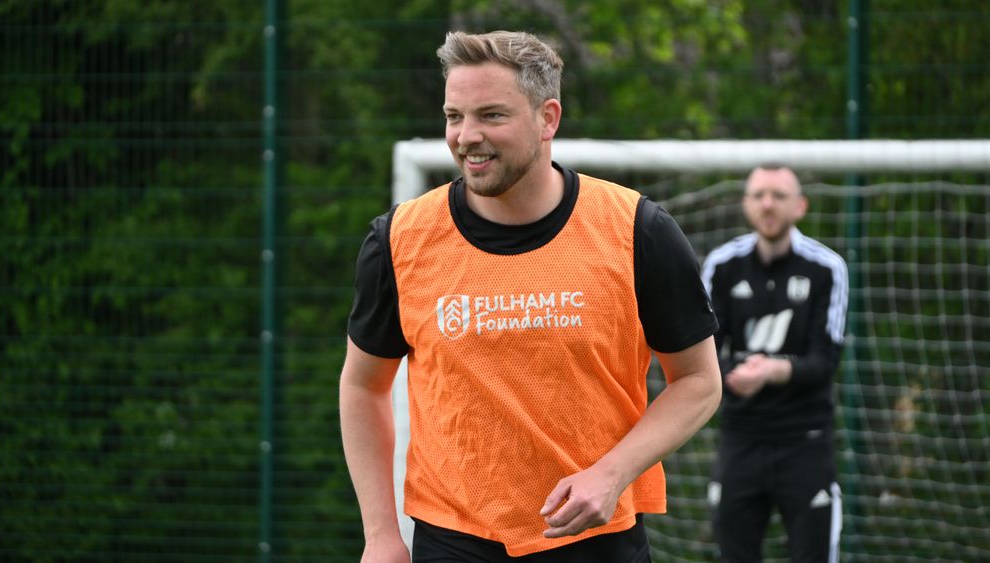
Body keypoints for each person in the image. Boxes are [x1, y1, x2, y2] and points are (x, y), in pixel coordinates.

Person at [339, 30, 722, 563]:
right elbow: (363, 385)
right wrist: (380, 534)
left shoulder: (636, 230)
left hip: (594, 540)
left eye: (491, 116)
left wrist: (611, 473)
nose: (466, 136)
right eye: (454, 116)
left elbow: (699, 381)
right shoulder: (399, 240)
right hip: (453, 539)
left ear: (548, 119)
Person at [701, 165, 849, 563]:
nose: (768, 204)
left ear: (800, 206)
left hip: (805, 441)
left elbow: (825, 362)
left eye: (779, 196)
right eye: (759, 195)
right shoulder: (721, 264)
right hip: (741, 437)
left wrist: (770, 370)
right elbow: (704, 355)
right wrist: (736, 372)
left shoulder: (826, 268)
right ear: (746, 205)